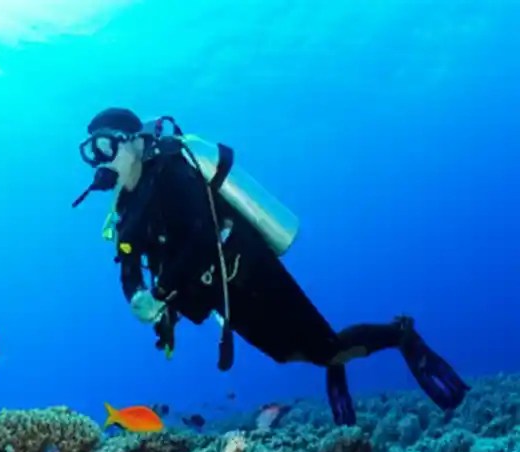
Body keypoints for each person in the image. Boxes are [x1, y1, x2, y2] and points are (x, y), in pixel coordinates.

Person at [73, 108, 467, 425]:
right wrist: (138, 298)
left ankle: (401, 334)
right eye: (90, 152)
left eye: (105, 146)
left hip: (250, 269)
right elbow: (128, 265)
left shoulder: (172, 172)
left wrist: (160, 293)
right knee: (287, 354)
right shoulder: (126, 210)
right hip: (220, 296)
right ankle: (333, 361)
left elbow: (201, 237)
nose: (98, 159)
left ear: (135, 141)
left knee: (324, 348)